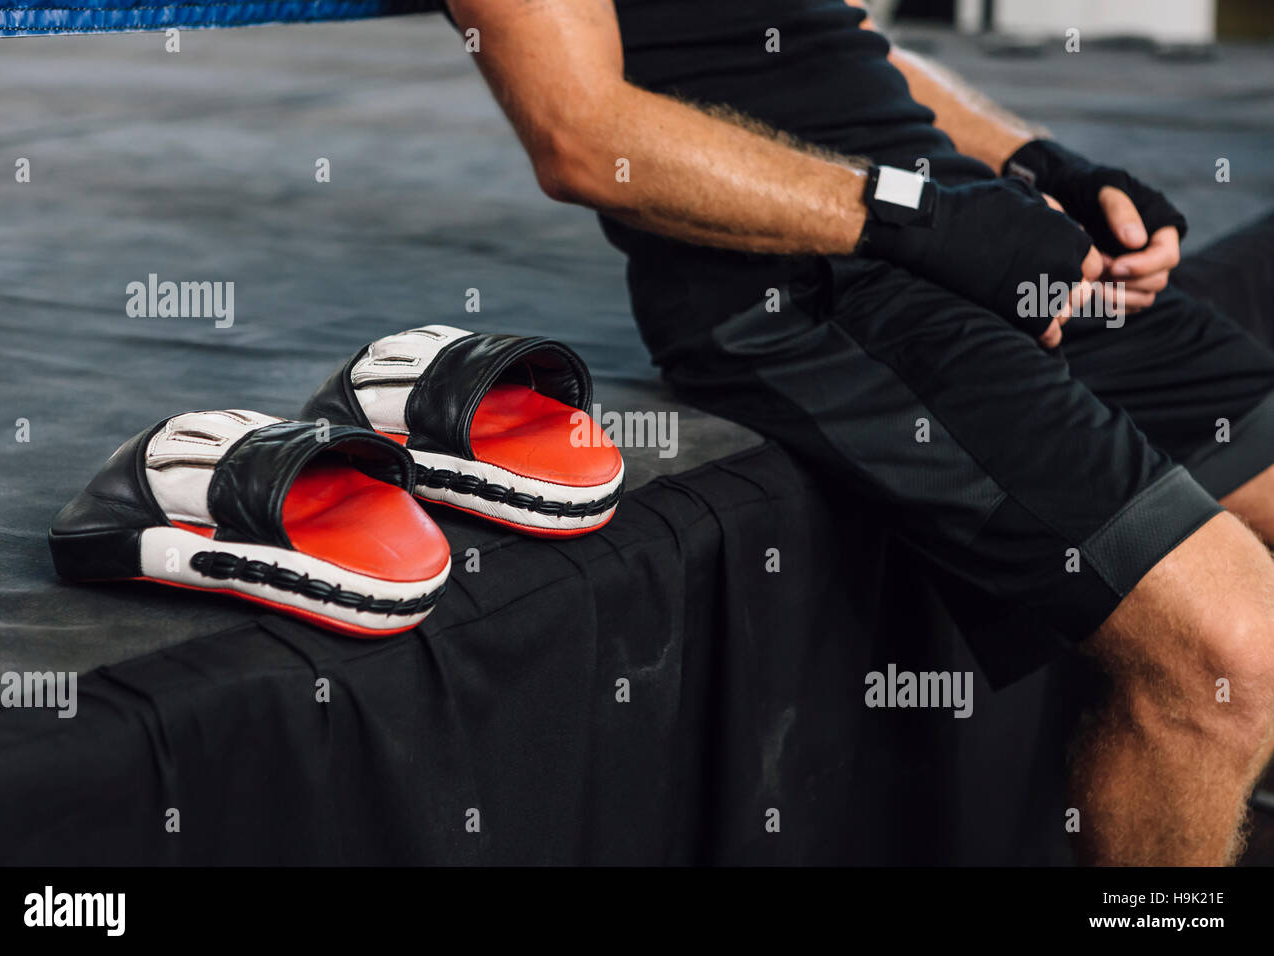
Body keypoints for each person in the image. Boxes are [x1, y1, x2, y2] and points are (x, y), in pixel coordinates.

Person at [445, 0, 1274, 865]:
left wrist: (1035, 163)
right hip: (800, 283)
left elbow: (841, 45)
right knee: (1231, 654)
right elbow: (580, 133)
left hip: (945, 228)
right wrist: (923, 219)